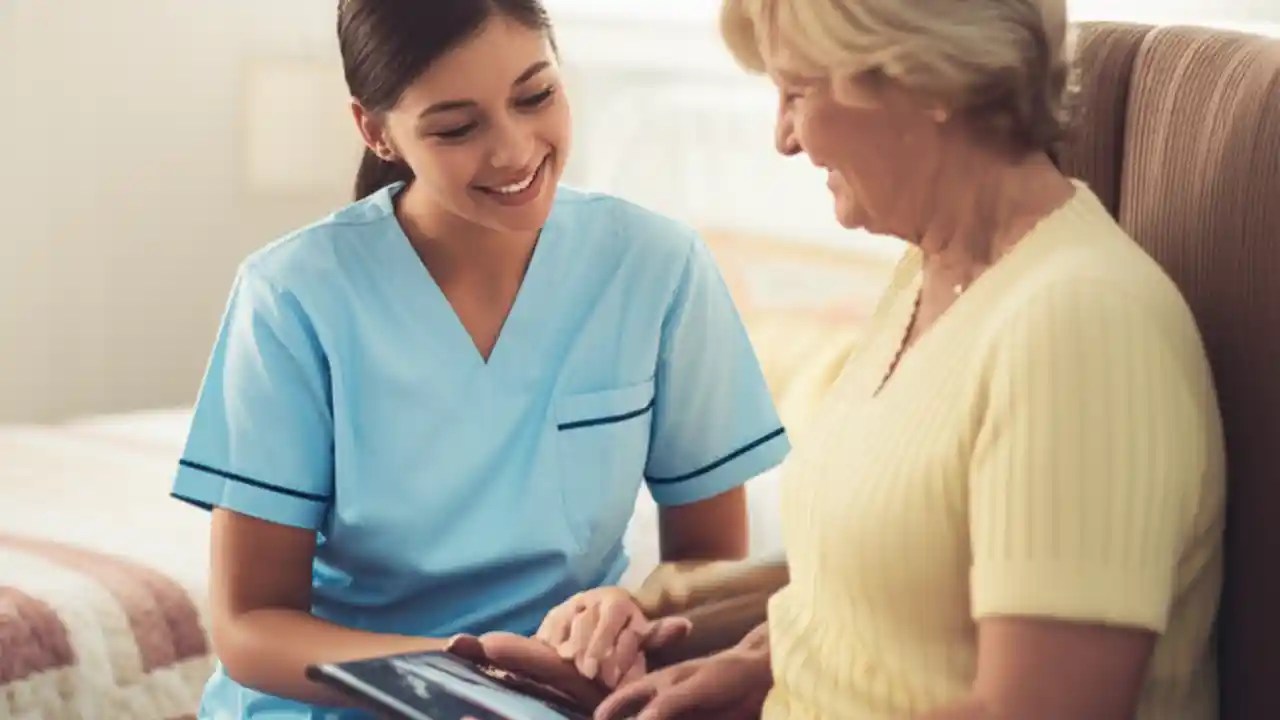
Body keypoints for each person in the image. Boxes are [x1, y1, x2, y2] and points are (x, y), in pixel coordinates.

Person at [526, 0, 1228, 718]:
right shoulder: (933, 276)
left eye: (798, 93)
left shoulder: (1080, 328)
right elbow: (891, 593)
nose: (784, 138)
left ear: (929, 85)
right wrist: (751, 667)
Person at [167, 0, 790, 717]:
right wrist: (466, 677)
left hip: (561, 697)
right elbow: (250, 626)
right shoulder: (291, 296)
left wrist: (624, 609)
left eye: (537, 96)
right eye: (457, 128)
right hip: (343, 702)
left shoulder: (658, 268)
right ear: (376, 131)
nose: (514, 150)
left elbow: (708, 564)